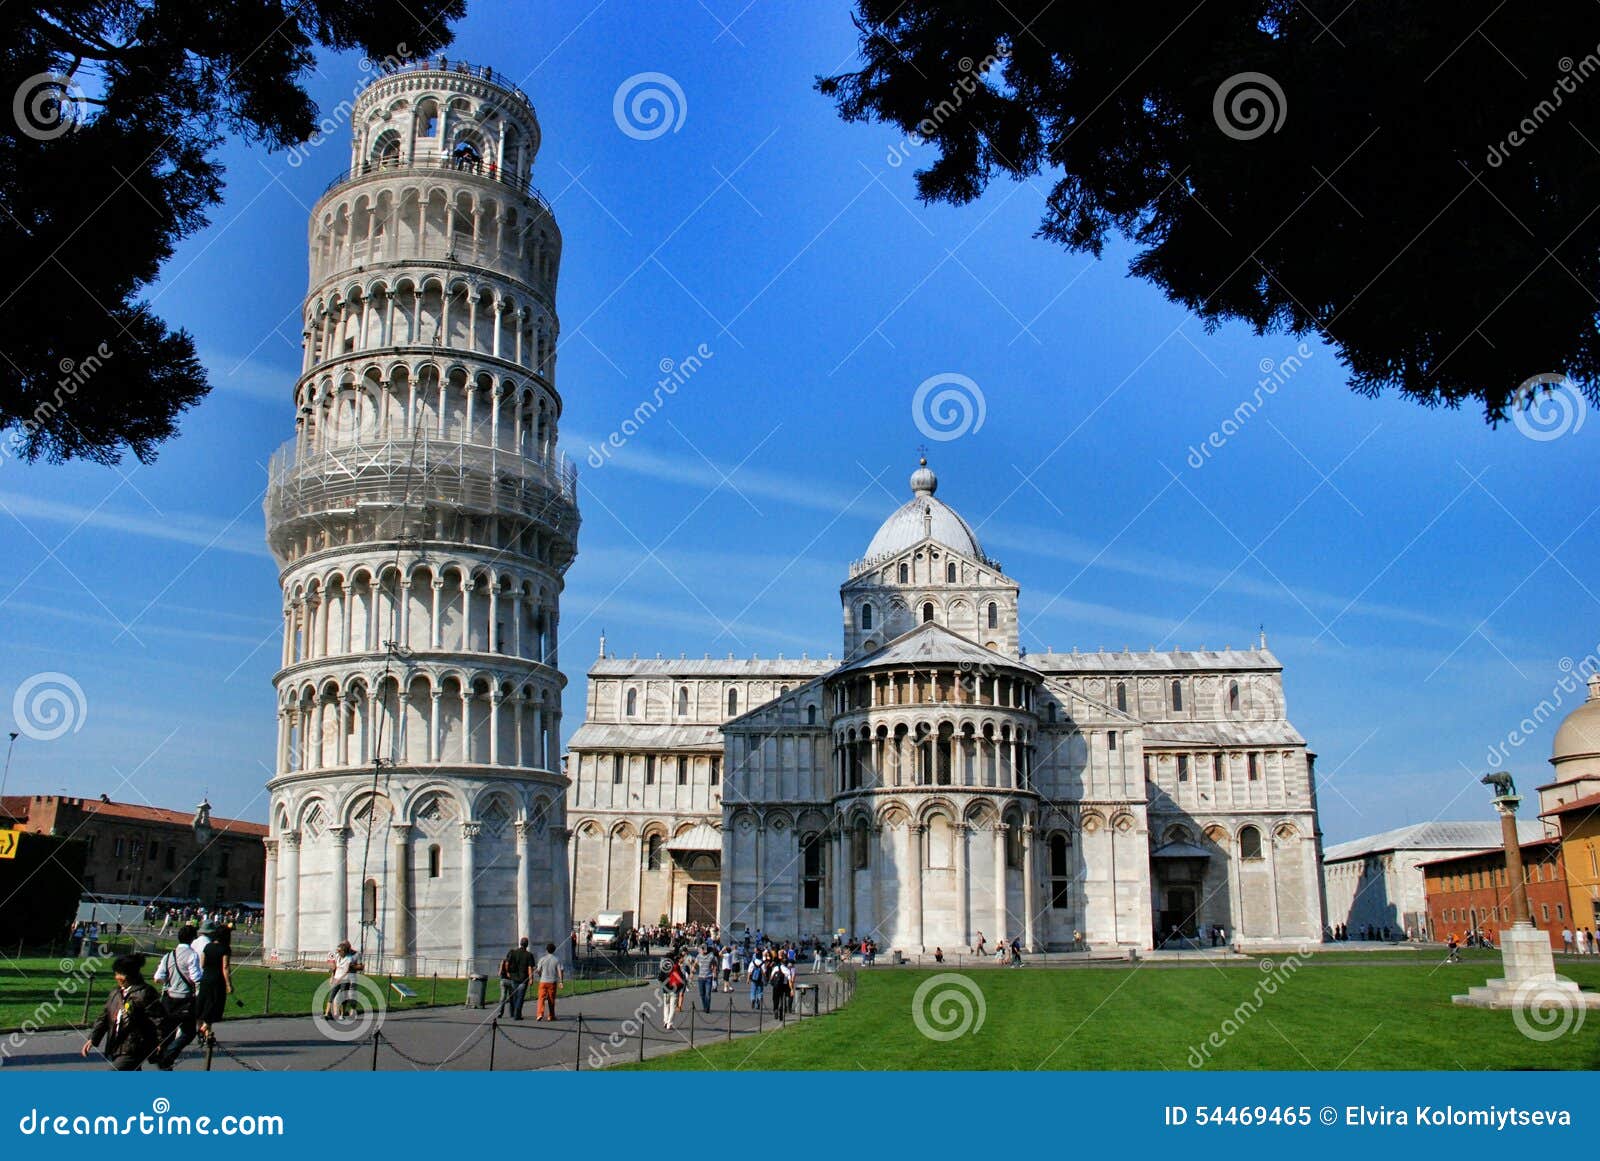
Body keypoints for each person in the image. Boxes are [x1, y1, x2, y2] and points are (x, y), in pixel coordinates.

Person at [82, 954, 160, 1070]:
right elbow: (104, 1017)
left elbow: (158, 1019)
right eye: (116, 974)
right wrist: (93, 1038)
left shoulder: (146, 993)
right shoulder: (115, 993)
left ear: (131, 975)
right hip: (117, 1045)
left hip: (135, 1046)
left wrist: (160, 1042)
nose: (117, 977)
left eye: (120, 974)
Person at [150, 925, 201, 1070]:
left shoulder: (168, 956)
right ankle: (167, 1058)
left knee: (168, 1032)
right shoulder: (192, 955)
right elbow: (196, 977)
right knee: (188, 1032)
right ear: (192, 939)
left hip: (169, 999)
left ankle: (162, 1058)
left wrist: (170, 979)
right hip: (185, 999)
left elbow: (158, 977)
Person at [194, 923, 233, 1043]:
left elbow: (202, 964)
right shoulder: (225, 948)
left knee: (203, 1005)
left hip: (205, 978)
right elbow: (225, 967)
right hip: (217, 980)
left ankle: (205, 1033)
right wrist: (229, 984)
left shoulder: (208, 946)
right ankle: (204, 1029)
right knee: (214, 1006)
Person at [498, 937, 536, 1020]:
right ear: (527, 944)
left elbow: (507, 963)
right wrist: (531, 978)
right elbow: (530, 968)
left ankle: (515, 1012)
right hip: (523, 979)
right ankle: (517, 1014)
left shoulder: (514, 953)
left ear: (520, 943)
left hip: (514, 978)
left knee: (515, 996)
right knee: (520, 997)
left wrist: (508, 972)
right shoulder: (529, 955)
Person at [326, 941, 361, 1021]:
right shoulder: (337, 956)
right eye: (337, 950)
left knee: (347, 996)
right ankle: (329, 1013)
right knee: (332, 996)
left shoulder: (352, 957)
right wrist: (332, 977)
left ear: (344, 950)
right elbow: (335, 967)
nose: (337, 952)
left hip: (347, 979)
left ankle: (346, 1013)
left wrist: (352, 967)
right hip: (337, 978)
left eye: (339, 950)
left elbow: (351, 970)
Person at [534, 941, 564, 1021]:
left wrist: (540, 975)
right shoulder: (557, 959)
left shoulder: (542, 959)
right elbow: (560, 971)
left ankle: (539, 1014)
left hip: (543, 981)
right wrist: (561, 981)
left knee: (541, 998)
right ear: (554, 950)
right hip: (552, 981)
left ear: (546, 950)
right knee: (551, 999)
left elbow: (538, 970)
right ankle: (551, 1015)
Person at [660, 954, 684, 1029]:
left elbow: (660, 978)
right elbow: (681, 977)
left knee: (666, 1006)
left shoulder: (664, 966)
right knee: (672, 1007)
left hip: (666, 990)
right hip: (674, 989)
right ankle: (669, 1023)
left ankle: (665, 1021)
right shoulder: (676, 966)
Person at [696, 945, 717, 1012]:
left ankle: (707, 1008)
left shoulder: (711, 956)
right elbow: (696, 964)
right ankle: (705, 1006)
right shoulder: (698, 956)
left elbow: (715, 964)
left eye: (701, 949)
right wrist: (693, 970)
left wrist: (714, 972)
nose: (700, 951)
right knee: (702, 994)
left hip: (708, 977)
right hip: (700, 978)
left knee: (708, 994)